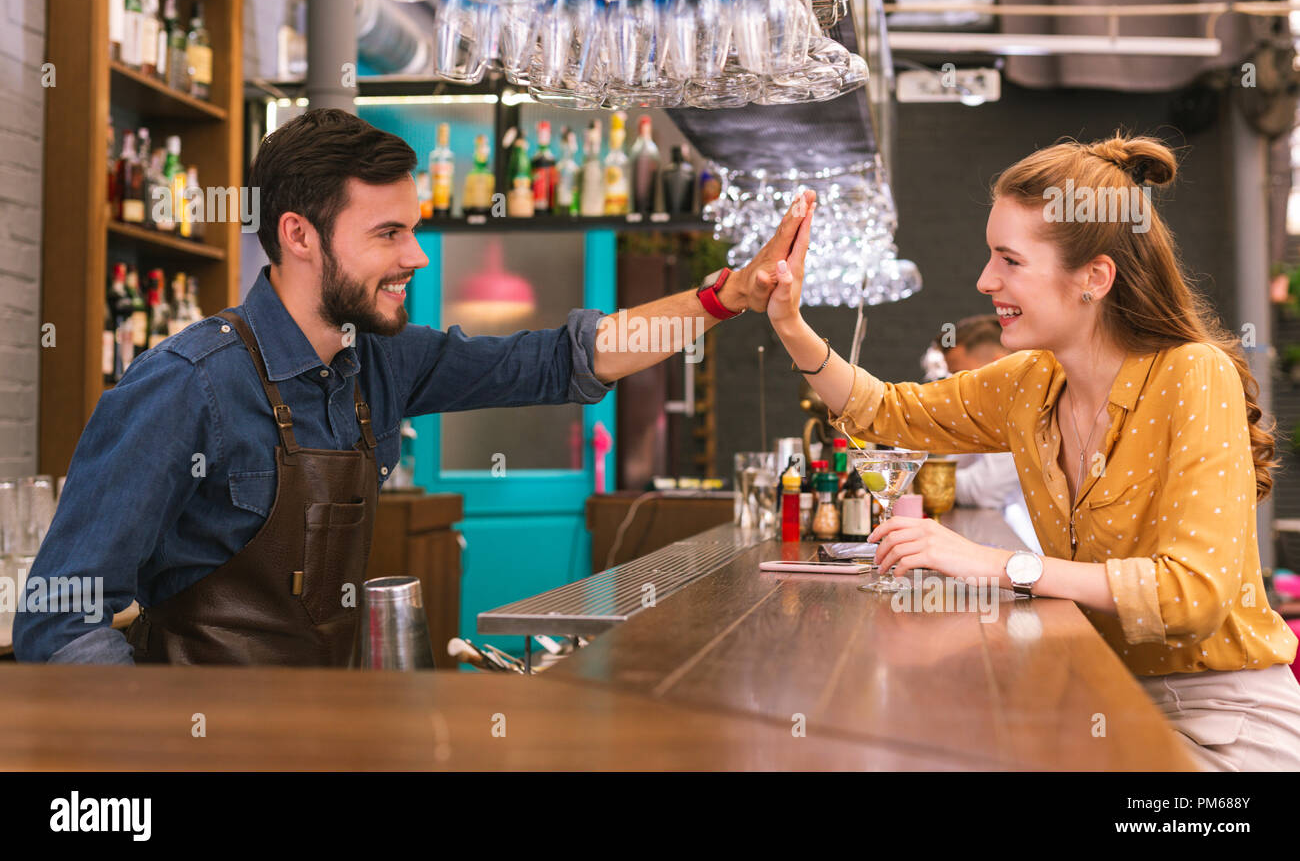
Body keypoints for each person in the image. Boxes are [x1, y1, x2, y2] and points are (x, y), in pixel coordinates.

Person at [15, 108, 815, 666]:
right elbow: (61, 614)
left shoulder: (381, 361)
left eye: (415, 229)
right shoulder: (186, 386)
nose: (417, 258)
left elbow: (564, 358)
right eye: (389, 234)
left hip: (333, 734)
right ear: (298, 234)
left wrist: (724, 299)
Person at [761, 133, 1300, 770]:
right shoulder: (1031, 382)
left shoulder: (1192, 374)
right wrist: (789, 323)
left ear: (1094, 278)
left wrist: (1000, 565)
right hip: (1103, 702)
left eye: (1009, 260)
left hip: (1219, 727)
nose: (986, 279)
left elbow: (1192, 594)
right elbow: (885, 411)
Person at [926, 315, 1042, 554]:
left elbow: (982, 492)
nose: (953, 385)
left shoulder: (1027, 409)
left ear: (998, 365)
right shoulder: (987, 410)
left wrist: (925, 479)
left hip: (1035, 555)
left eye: (960, 375)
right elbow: (956, 470)